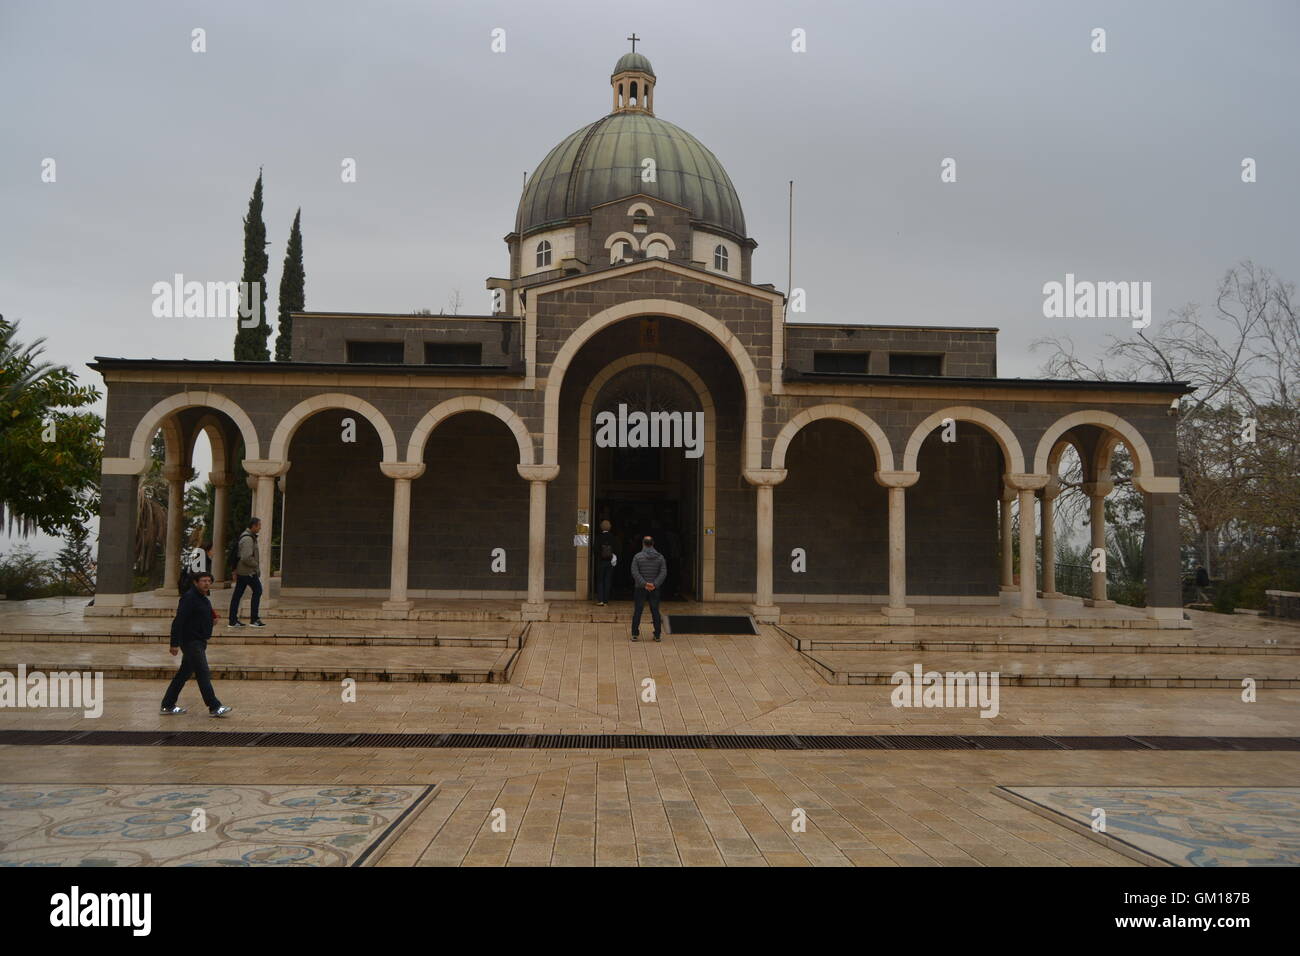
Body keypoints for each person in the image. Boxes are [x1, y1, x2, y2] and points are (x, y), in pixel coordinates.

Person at [160, 571, 232, 717]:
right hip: (191, 642)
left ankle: (167, 704)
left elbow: (203, 614)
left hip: (200, 640)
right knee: (203, 672)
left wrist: (212, 620)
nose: (206, 583)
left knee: (183, 674)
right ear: (195, 582)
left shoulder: (203, 598)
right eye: (203, 581)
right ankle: (214, 706)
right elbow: (178, 621)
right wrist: (174, 643)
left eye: (208, 581)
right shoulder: (189, 598)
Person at [228, 518, 266, 627]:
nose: (260, 528)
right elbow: (246, 557)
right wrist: (256, 565)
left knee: (237, 595)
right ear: (253, 526)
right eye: (259, 525)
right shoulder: (248, 539)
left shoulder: (248, 536)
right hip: (247, 571)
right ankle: (254, 619)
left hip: (243, 571)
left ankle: (233, 620)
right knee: (258, 590)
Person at [630, 535, 667, 642]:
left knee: (638, 610)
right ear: (653, 544)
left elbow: (634, 572)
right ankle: (657, 634)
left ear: (643, 544)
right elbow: (663, 572)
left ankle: (634, 634)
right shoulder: (660, 557)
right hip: (655, 588)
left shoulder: (637, 557)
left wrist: (644, 584)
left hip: (640, 588)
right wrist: (654, 584)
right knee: (655, 610)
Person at [594, 519, 616, 606]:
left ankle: (600, 600)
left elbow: (595, 549)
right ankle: (606, 600)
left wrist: (599, 555)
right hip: (610, 562)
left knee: (600, 580)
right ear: (610, 527)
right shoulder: (613, 537)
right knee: (607, 580)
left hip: (601, 561)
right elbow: (617, 548)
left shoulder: (598, 537)